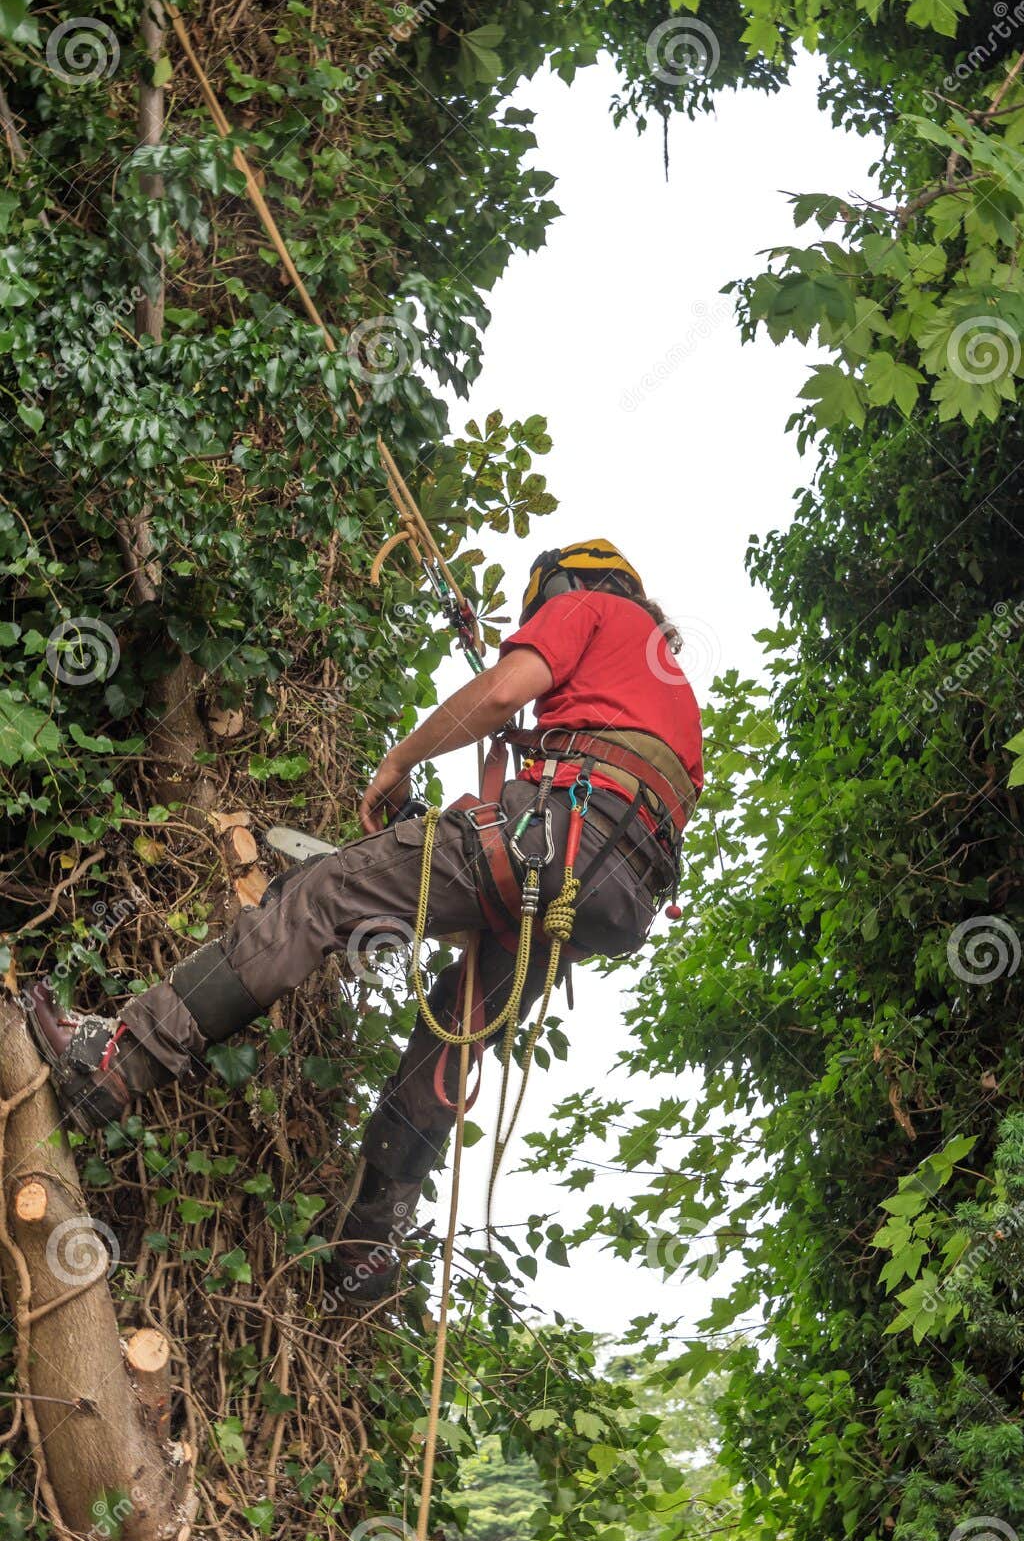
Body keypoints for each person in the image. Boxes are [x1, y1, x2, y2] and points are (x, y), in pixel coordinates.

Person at [30, 543, 703, 1304]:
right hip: (605, 901)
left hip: (553, 837)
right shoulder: (670, 698)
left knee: (322, 895)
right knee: (450, 1028)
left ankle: (119, 1058)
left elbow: (500, 693)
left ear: (569, 585)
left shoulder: (588, 609)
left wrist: (399, 760)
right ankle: (367, 1243)